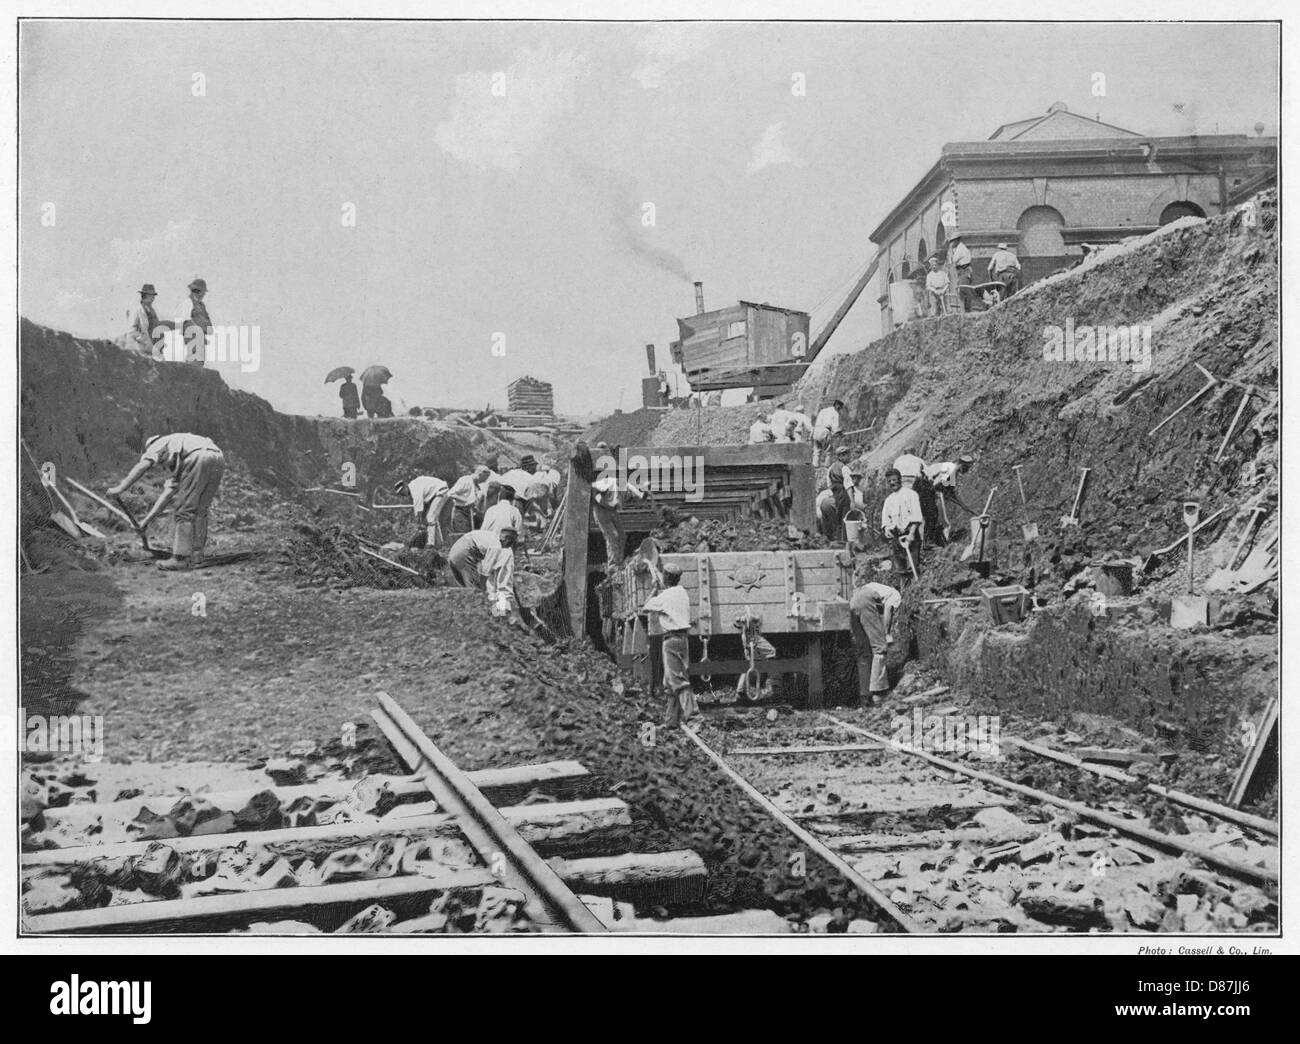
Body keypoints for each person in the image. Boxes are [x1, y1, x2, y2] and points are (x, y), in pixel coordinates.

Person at [107, 433, 225, 570]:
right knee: (200, 510)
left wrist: (119, 488)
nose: (161, 465)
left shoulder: (157, 444)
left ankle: (180, 558)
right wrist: (144, 522)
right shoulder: (179, 452)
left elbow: (142, 466)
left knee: (184, 511)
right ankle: (197, 555)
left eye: (160, 461)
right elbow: (166, 496)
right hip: (217, 456)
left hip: (197, 457)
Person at [642, 565, 698, 726]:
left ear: (666, 577)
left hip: (671, 640)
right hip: (682, 639)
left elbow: (646, 607)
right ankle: (671, 720)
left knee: (678, 682)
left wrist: (654, 589)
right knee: (670, 683)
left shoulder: (665, 596)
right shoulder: (682, 592)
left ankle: (694, 719)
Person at [850, 574, 902, 704]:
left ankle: (864, 694)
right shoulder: (896, 596)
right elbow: (888, 612)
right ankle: (878, 693)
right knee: (880, 648)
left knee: (864, 651)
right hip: (866, 600)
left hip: (853, 600)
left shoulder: (879, 589)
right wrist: (886, 633)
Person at [447, 527, 518, 613]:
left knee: (466, 588)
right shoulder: (496, 546)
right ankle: (478, 614)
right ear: (506, 538)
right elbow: (485, 572)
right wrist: (483, 591)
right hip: (463, 552)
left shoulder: (492, 538)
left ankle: (464, 612)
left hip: (454, 552)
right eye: (511, 542)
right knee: (475, 591)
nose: (510, 546)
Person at [881, 468, 924, 579]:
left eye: (894, 480)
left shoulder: (911, 494)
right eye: (889, 481)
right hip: (897, 537)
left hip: (910, 534)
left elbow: (917, 516)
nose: (892, 483)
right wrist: (887, 529)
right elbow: (885, 519)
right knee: (900, 569)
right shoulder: (889, 500)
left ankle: (915, 589)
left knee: (912, 566)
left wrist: (912, 534)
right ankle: (904, 591)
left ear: (900, 480)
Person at [394, 475, 449, 547]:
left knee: (430, 518)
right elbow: (420, 510)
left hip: (441, 491)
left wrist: (417, 524)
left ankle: (430, 544)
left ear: (405, 486)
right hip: (435, 494)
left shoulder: (414, 489)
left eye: (402, 491)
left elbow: (419, 510)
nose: (402, 494)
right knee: (432, 519)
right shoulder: (413, 487)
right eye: (400, 493)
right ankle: (439, 543)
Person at [124, 283, 170, 357]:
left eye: (153, 296)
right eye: (151, 296)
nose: (153, 298)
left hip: (149, 351)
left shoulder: (152, 311)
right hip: (136, 351)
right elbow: (132, 332)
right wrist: (146, 342)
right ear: (146, 296)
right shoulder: (136, 310)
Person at [446, 465, 490, 532]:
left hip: (469, 513)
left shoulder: (476, 486)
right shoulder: (465, 480)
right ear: (480, 474)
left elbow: (472, 502)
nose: (485, 481)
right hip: (460, 512)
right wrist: (466, 501)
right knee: (462, 536)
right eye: (485, 478)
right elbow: (451, 494)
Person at [180, 278, 212, 366]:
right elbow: (185, 320)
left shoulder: (201, 305)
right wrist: (199, 331)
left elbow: (209, 326)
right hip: (193, 335)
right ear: (199, 291)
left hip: (200, 337)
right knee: (194, 360)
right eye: (203, 292)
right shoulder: (188, 302)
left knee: (200, 360)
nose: (204, 294)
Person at [826, 445, 854, 538]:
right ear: (841, 456)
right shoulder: (845, 468)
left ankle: (836, 537)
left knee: (837, 520)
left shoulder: (831, 468)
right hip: (843, 494)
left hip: (835, 493)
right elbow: (848, 485)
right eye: (847, 455)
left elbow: (829, 483)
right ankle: (845, 539)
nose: (849, 457)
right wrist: (852, 501)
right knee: (846, 518)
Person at [948, 233, 973, 312]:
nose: (952, 243)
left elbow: (953, 260)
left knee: (964, 289)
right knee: (962, 290)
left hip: (964, 270)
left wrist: (951, 251)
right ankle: (965, 310)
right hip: (961, 271)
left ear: (957, 240)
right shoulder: (959, 248)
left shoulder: (960, 248)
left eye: (953, 241)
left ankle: (968, 310)